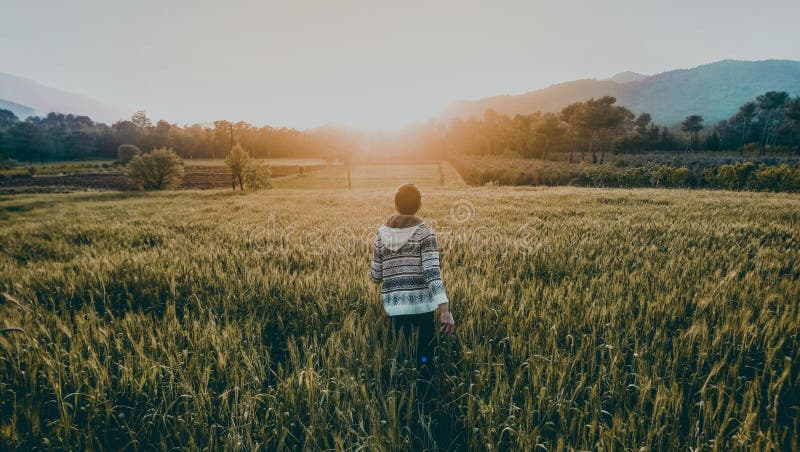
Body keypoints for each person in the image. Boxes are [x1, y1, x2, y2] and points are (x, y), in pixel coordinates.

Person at [370, 184, 455, 380]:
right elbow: (432, 273)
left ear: (396, 205)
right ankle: (425, 403)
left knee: (401, 361)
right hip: (421, 309)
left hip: (394, 309)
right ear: (420, 205)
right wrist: (445, 309)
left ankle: (400, 397)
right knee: (424, 362)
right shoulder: (425, 233)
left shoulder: (381, 235)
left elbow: (376, 277)